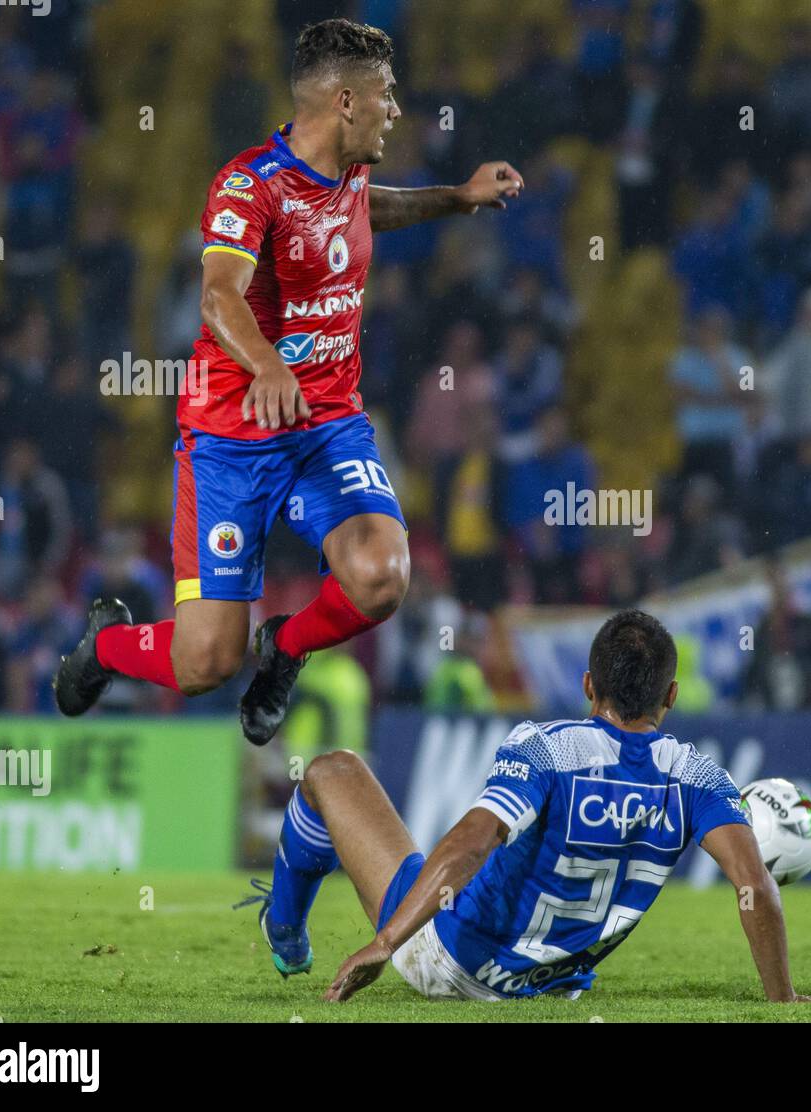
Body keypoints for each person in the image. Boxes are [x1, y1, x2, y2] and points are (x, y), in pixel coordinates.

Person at [53, 18, 524, 745]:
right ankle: (105, 646)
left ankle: (289, 648)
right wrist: (268, 364)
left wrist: (457, 197)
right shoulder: (249, 186)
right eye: (387, 95)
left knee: (382, 575)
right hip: (231, 439)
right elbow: (218, 296)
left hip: (325, 424)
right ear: (344, 101)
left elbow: (368, 212)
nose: (396, 109)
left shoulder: (350, 177)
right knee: (207, 659)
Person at [239, 609, 811, 1005]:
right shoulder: (697, 775)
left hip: (448, 960)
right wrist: (782, 999)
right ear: (670, 695)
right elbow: (755, 885)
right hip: (550, 984)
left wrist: (385, 943)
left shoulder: (547, 748)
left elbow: (473, 840)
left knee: (331, 770)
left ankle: (286, 932)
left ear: (590, 685)